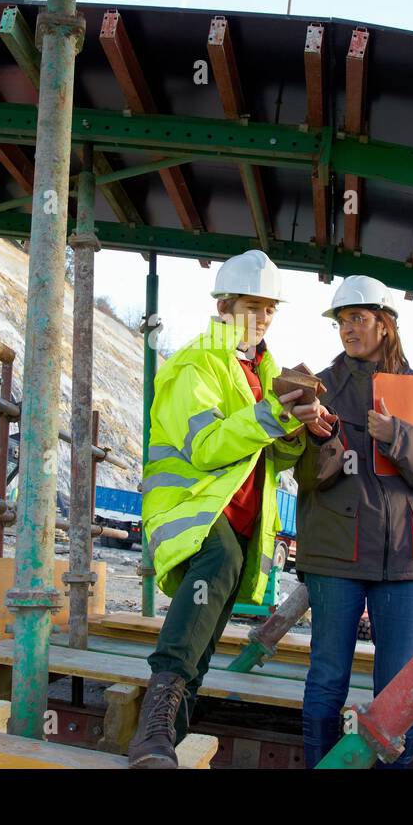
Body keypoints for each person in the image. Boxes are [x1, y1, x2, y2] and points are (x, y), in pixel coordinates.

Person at [127, 250, 333, 769]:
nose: (262, 317)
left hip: (242, 514)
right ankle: (153, 725)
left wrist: (298, 427)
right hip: (194, 509)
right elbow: (206, 447)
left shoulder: (263, 371)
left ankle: (166, 739)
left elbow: (271, 456)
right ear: (224, 304)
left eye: (270, 309)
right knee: (216, 567)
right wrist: (273, 413)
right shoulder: (198, 362)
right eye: (253, 305)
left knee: (210, 620)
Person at [295, 275, 413, 768]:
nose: (348, 329)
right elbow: (304, 477)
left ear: (385, 326)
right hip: (336, 554)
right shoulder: (317, 389)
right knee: (327, 676)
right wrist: (318, 437)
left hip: (406, 558)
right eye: (342, 321)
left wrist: (399, 435)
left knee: (400, 687)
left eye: (358, 319)